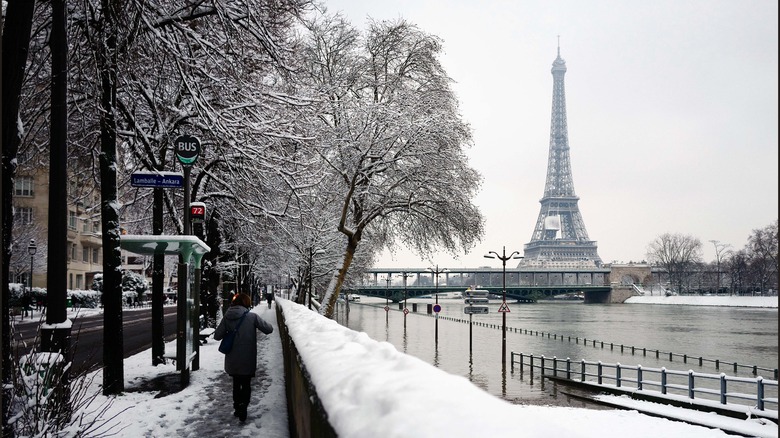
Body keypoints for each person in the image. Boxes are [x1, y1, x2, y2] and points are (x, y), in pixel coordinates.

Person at [214, 292, 273, 422]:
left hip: (232, 358)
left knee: (236, 383)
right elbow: (269, 329)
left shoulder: (227, 317)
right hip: (248, 357)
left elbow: (217, 335)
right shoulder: (252, 317)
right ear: (247, 303)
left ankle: (237, 406)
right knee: (246, 384)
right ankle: (243, 408)